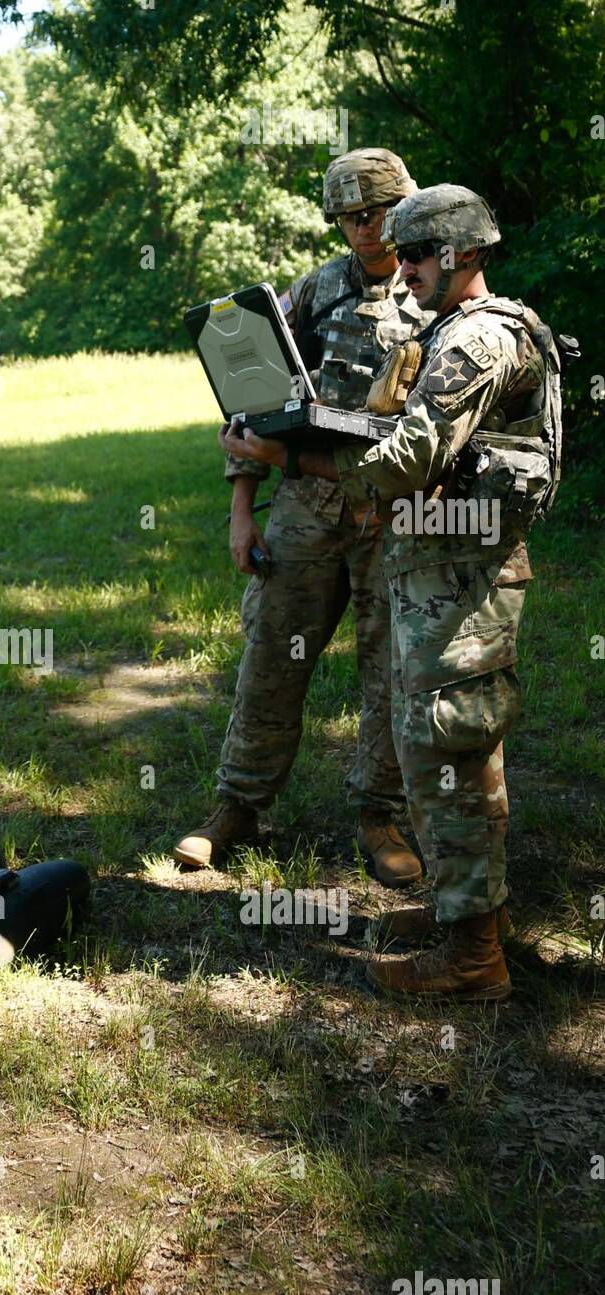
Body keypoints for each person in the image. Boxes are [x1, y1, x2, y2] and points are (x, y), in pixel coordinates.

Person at [222, 184, 565, 1001]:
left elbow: (407, 462)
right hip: (443, 572)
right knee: (452, 743)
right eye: (398, 251)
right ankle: (475, 915)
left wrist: (293, 462)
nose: (400, 268)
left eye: (417, 253)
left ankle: (473, 958)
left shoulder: (477, 341)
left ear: (463, 255)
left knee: (446, 744)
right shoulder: (458, 328)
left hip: (459, 580)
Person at [175, 148, 428, 889]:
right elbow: (255, 395)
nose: (365, 228)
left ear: (404, 208)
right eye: (349, 217)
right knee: (271, 659)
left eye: (376, 211)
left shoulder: (436, 292)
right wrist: (241, 508)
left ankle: (379, 815)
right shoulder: (316, 290)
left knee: (392, 673)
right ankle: (239, 806)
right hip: (307, 506)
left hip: (393, 512)